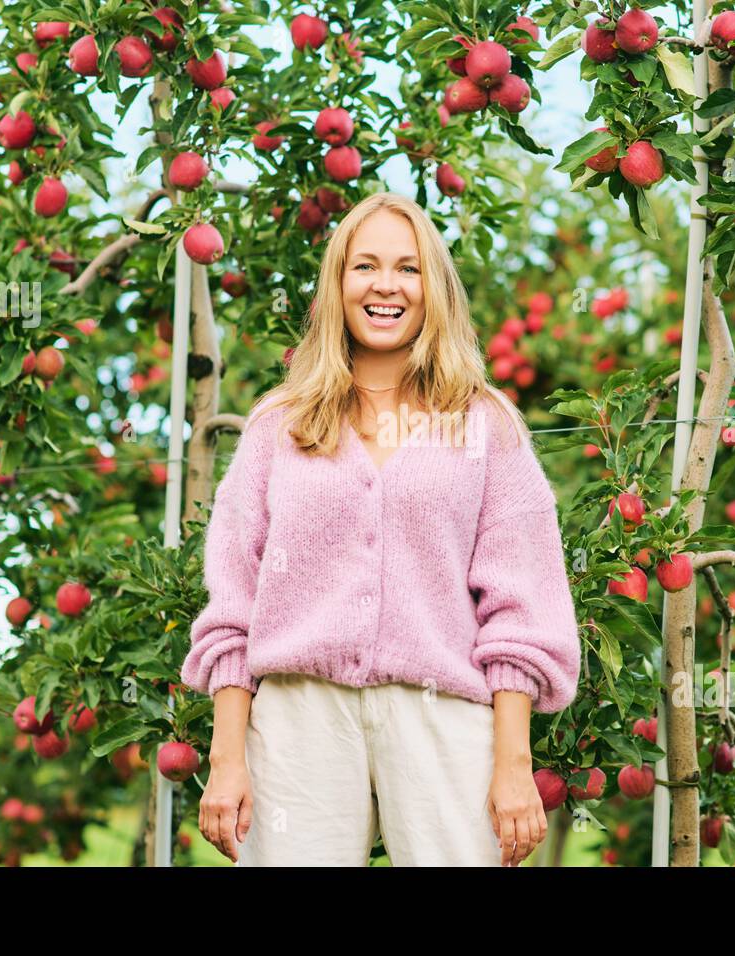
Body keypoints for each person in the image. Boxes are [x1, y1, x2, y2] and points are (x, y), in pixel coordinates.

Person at [181, 191, 581, 867]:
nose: (385, 285)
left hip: (442, 712)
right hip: (299, 715)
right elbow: (233, 606)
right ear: (338, 286)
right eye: (364, 266)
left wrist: (515, 764)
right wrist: (226, 760)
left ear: (434, 289)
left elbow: (521, 609)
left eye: (408, 267)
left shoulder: (486, 426)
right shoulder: (278, 428)